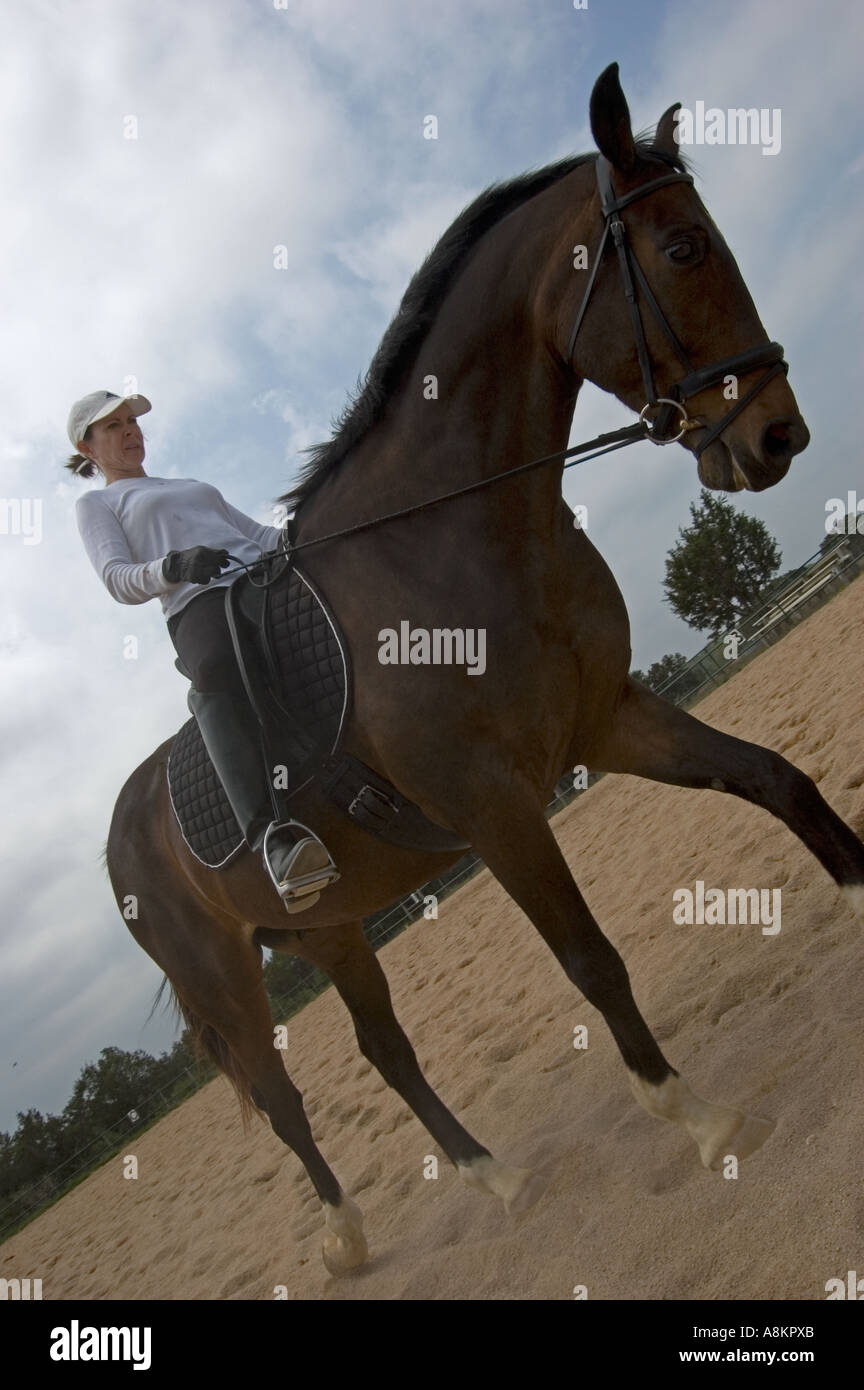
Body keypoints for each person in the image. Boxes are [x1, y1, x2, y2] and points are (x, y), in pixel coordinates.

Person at [67, 389, 338, 913]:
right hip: (197, 602)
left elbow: (256, 533)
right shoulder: (97, 503)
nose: (130, 431)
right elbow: (116, 579)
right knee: (213, 670)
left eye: (132, 421)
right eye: (114, 427)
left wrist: (316, 531)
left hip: (262, 576)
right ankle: (272, 838)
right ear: (88, 447)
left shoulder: (188, 486)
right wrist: (173, 567)